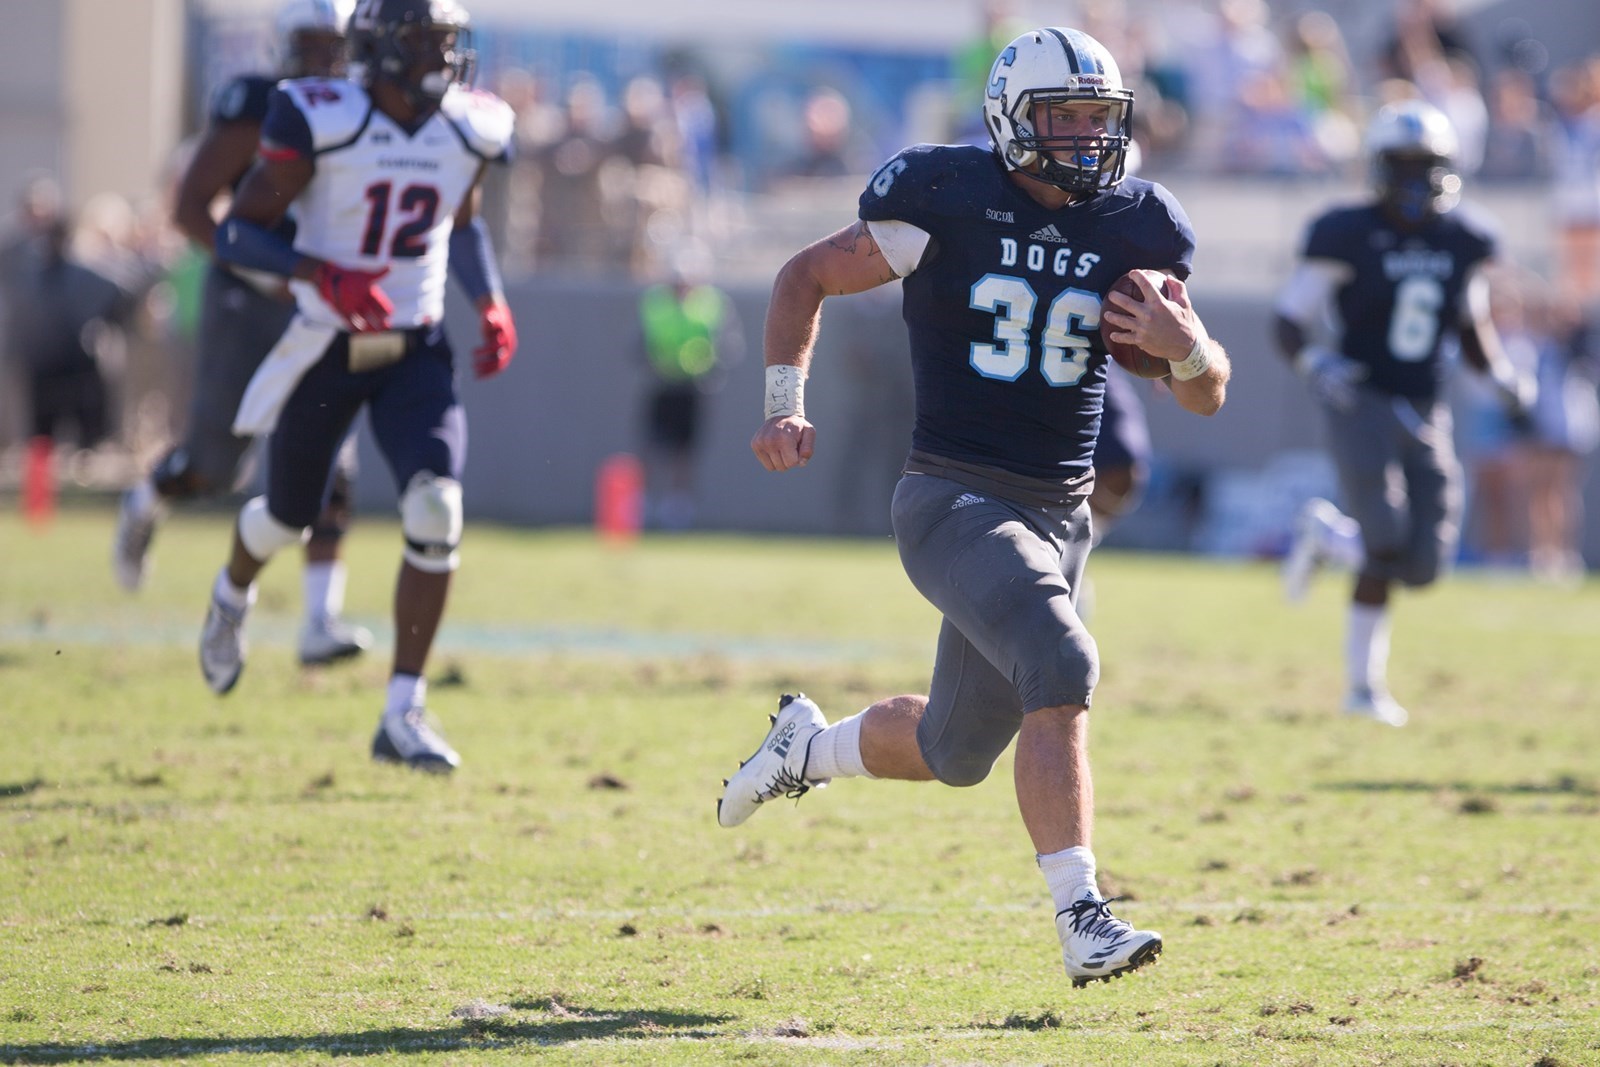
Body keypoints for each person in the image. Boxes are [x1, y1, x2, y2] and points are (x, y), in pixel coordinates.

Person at [719, 27, 1231, 988]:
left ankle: (806, 749)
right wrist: (784, 405)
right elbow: (805, 276)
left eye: (1099, 120)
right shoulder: (943, 196)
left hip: (1058, 514)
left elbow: (1207, 393)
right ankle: (1084, 916)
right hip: (952, 495)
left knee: (953, 750)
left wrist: (1187, 346)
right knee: (1063, 657)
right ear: (1010, 118)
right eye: (1064, 118)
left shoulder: (1138, 223)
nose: (1086, 138)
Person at [200, 0, 517, 773]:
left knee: (437, 507)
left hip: (416, 345)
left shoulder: (467, 126)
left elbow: (462, 221)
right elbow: (239, 230)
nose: (444, 57)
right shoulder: (320, 115)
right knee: (285, 517)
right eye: (426, 40)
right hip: (325, 344)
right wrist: (322, 272)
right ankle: (231, 592)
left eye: (449, 41)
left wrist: (490, 299)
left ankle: (402, 711)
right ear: (380, 48)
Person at [112, 0, 374, 669]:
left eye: (333, 47)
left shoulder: (365, 106)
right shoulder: (257, 101)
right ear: (286, 47)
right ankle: (147, 499)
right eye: (312, 46)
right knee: (215, 463)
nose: (325, 61)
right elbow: (190, 207)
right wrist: (262, 270)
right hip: (252, 293)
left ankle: (320, 620)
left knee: (331, 453)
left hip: (323, 295)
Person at [1275, 100, 1535, 727]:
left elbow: (1469, 321)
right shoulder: (1346, 230)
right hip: (1359, 393)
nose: (1417, 180)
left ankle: (1331, 537)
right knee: (1385, 540)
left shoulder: (1464, 237)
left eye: (1428, 166)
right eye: (1404, 165)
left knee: (1422, 566)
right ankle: (1362, 689)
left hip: (1426, 402)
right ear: (1379, 167)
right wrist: (1316, 365)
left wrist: (1500, 376)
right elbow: (1289, 317)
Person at [636, 249, 740, 530]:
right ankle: (643, 504)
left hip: (693, 387)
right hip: (662, 383)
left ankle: (677, 509)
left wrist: (714, 366)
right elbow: (640, 340)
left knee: (685, 452)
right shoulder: (655, 302)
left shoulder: (711, 303)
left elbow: (728, 344)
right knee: (651, 446)